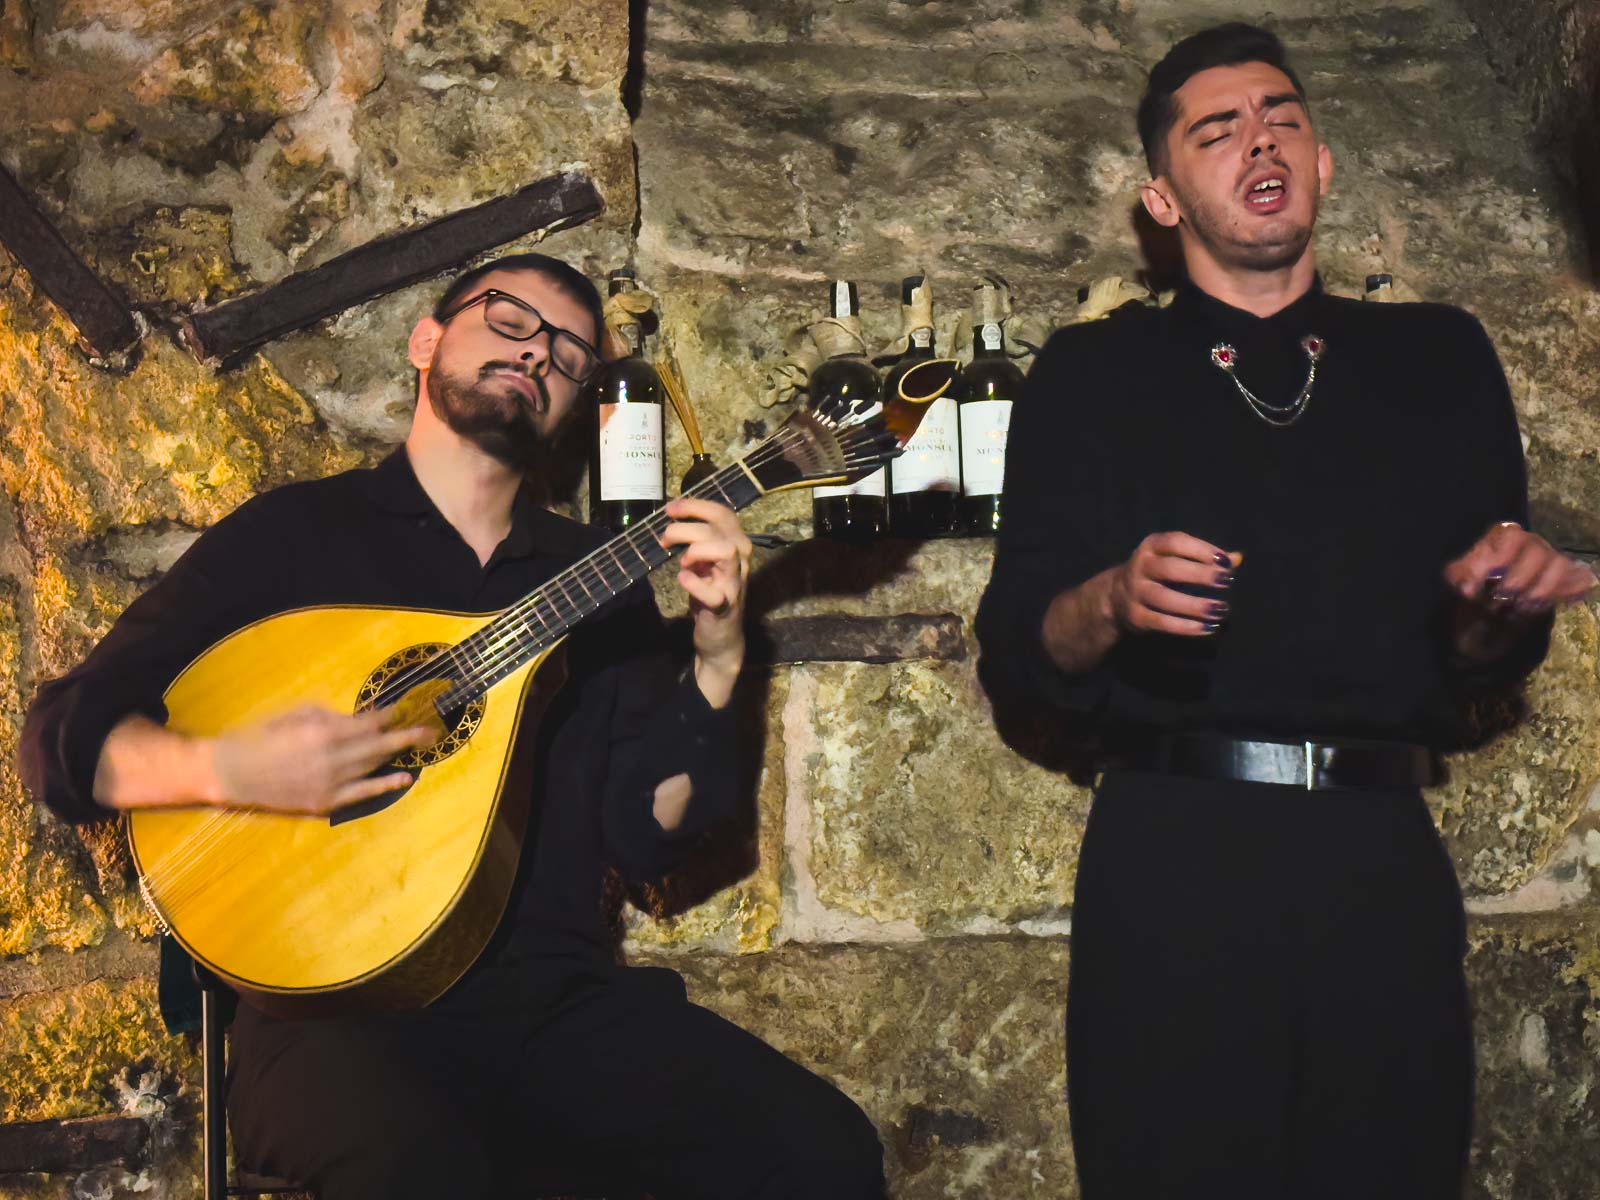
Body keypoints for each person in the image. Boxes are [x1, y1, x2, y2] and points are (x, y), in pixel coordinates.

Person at [21, 252, 886, 1200]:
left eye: (570, 352)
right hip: (326, 1023)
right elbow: (61, 740)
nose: (539, 354)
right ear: (426, 340)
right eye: (509, 318)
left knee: (820, 1151)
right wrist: (233, 769)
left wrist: (719, 652)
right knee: (422, 1171)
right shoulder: (292, 539)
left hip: (553, 1007)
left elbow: (650, 838)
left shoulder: (598, 578)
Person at [975, 23, 1596, 1200]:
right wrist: (1108, 600)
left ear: (1321, 164)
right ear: (1162, 198)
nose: (1257, 141)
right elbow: (1019, 653)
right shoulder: (1090, 375)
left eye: (1282, 120)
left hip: (1380, 857)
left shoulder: (1438, 357)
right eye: (1216, 132)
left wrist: (1496, 601)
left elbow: (1471, 662)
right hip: (1174, 855)